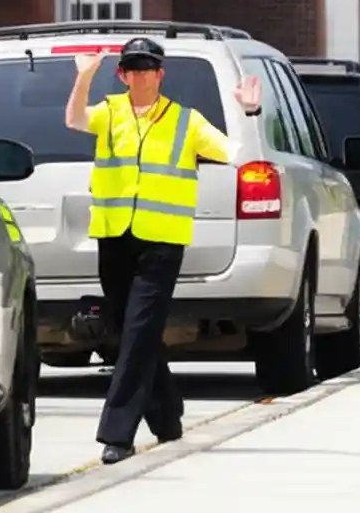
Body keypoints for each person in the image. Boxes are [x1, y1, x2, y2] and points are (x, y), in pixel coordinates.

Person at [64, 36, 261, 464]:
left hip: (162, 244)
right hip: (114, 236)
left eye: (147, 67)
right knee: (127, 332)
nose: (140, 75)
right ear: (122, 75)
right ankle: (168, 414)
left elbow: (236, 154)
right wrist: (83, 79)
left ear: (160, 73)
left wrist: (249, 113)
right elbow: (75, 120)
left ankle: (117, 433)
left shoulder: (186, 121)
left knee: (137, 333)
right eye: (132, 68)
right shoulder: (111, 111)